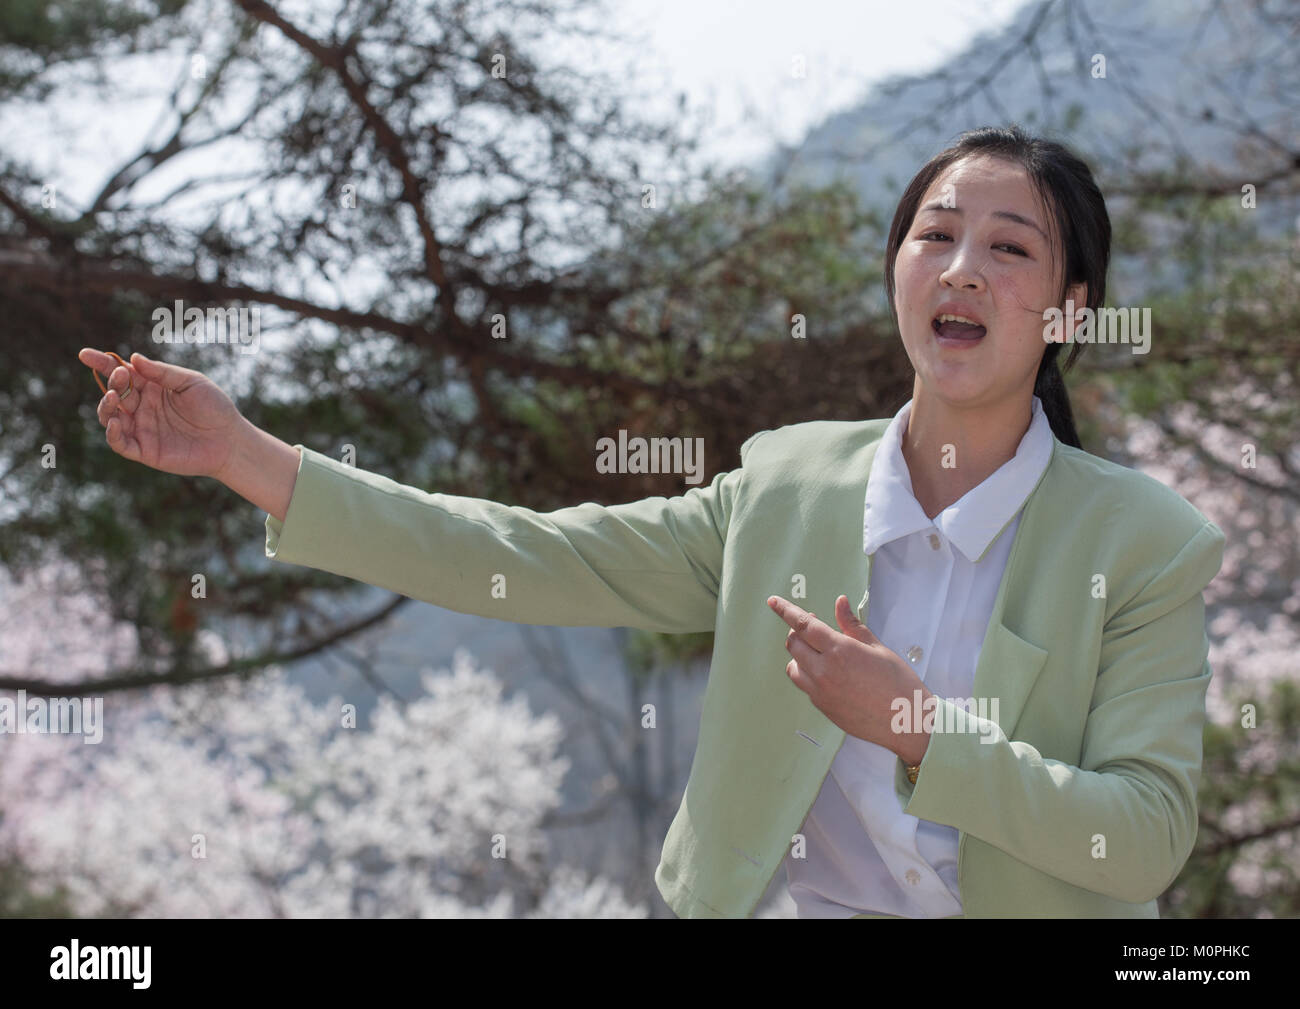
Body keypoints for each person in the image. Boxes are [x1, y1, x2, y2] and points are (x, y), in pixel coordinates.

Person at [79, 124, 1225, 918]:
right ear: (895, 272)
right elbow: (512, 557)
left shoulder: (1141, 542)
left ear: (1071, 308)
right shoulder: (781, 491)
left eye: (1009, 248)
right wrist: (248, 456)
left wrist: (922, 727)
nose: (961, 269)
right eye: (934, 235)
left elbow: (1139, 834)